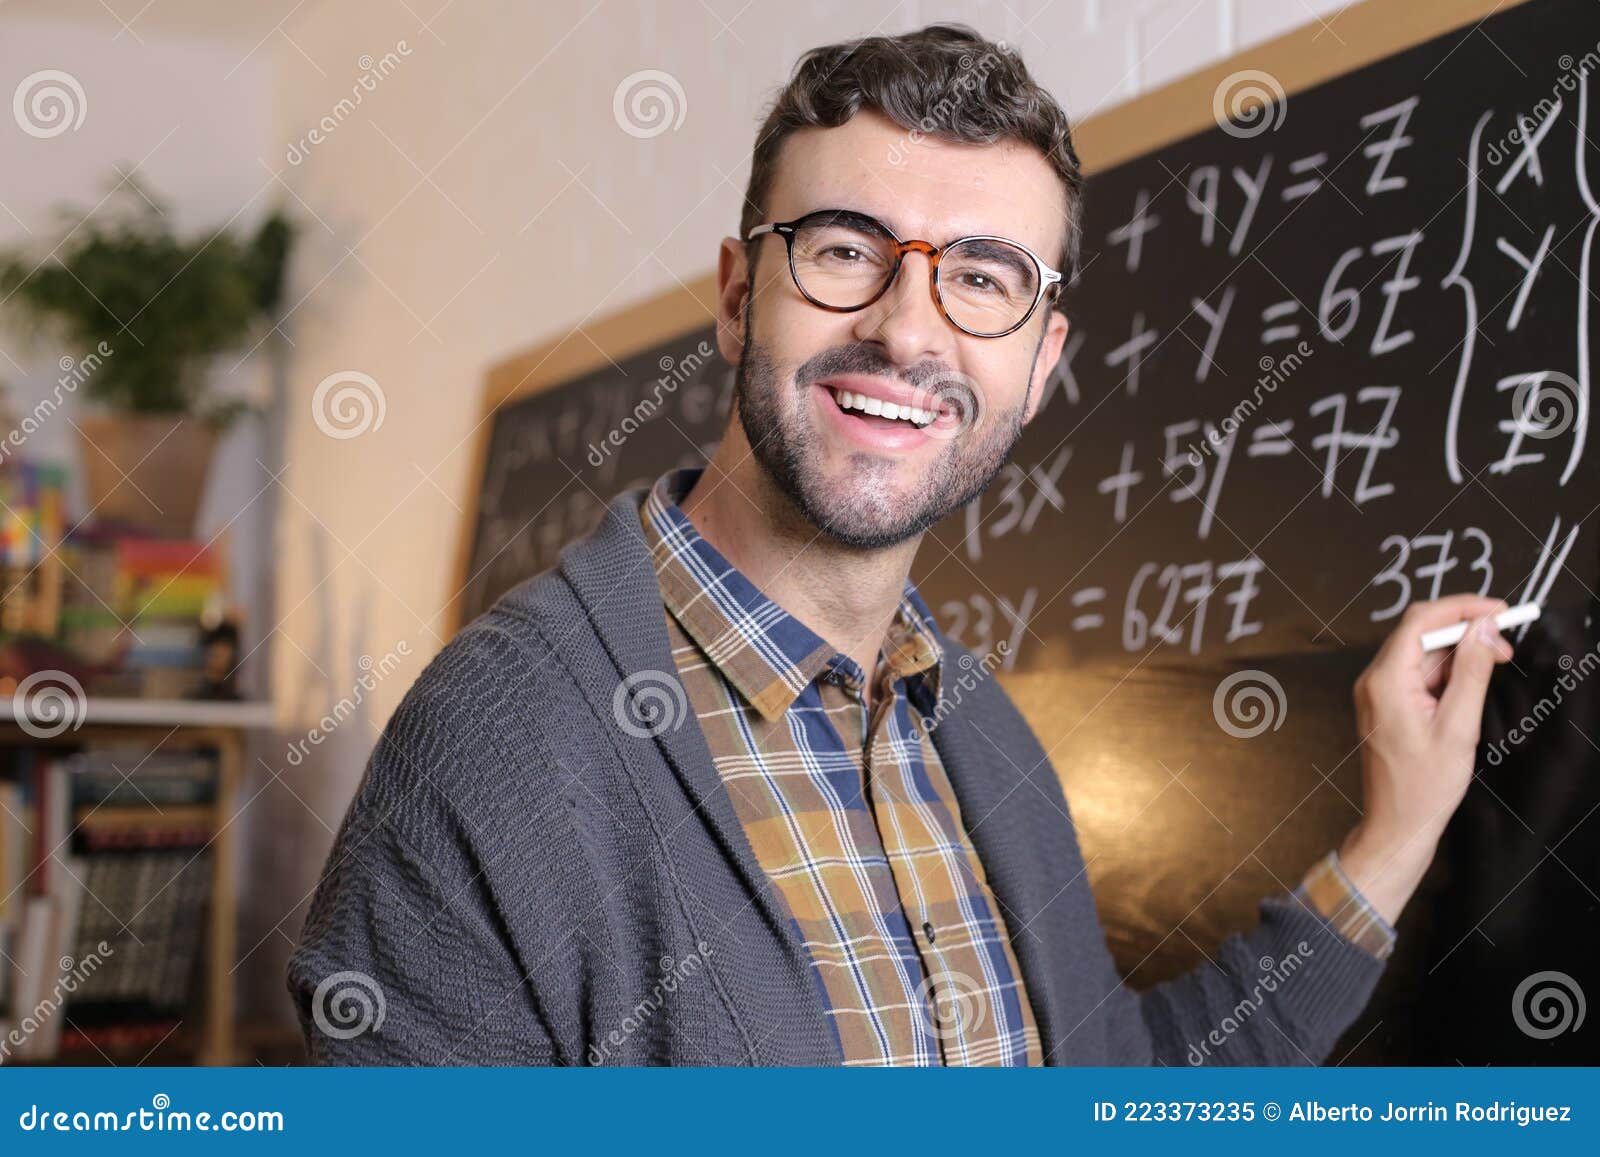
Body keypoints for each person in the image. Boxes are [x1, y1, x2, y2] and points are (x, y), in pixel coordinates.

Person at [288, 24, 1515, 1065]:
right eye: (844, 250)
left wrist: (1395, 831)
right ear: (738, 298)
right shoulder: (496, 745)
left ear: (1040, 361)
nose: (907, 329)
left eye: (983, 277)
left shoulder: (977, 733)